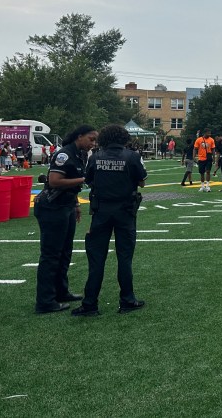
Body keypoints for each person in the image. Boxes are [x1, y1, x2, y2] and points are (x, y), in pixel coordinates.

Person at [72, 124, 147, 317]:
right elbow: (142, 181)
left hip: (101, 210)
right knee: (125, 257)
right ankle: (127, 299)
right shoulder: (132, 156)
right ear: (124, 138)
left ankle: (90, 303)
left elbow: (89, 181)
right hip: (125, 211)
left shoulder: (95, 157)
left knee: (96, 259)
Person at [34, 125, 97, 314]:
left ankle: (61, 292)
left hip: (66, 205)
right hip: (52, 206)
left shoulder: (79, 154)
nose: (93, 143)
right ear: (79, 136)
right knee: (51, 254)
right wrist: (84, 180)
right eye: (91, 139)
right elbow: (54, 181)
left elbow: (71, 182)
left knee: (65, 252)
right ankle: (45, 301)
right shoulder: (64, 154)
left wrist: (75, 203)